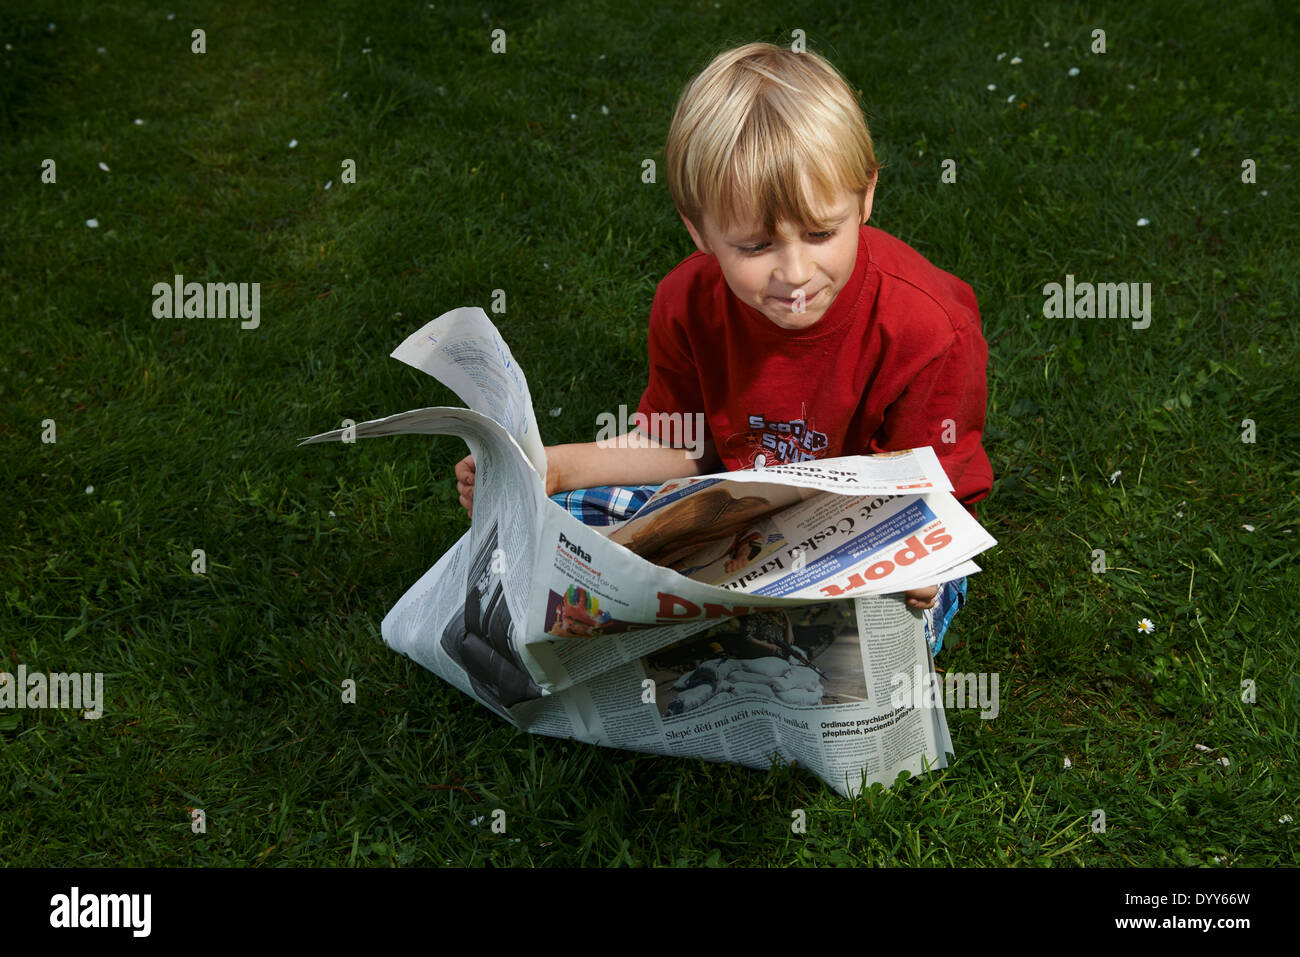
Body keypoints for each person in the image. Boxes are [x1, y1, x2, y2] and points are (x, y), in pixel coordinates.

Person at [456, 41, 992, 653]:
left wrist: (917, 572)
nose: (794, 273)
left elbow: (930, 490)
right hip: (735, 510)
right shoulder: (686, 301)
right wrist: (550, 469)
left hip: (865, 532)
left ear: (866, 194)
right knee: (562, 524)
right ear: (699, 229)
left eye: (821, 232)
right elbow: (680, 445)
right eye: (755, 247)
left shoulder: (929, 326)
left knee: (878, 629)